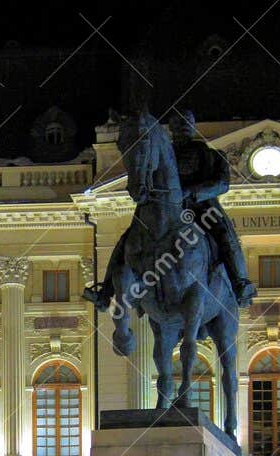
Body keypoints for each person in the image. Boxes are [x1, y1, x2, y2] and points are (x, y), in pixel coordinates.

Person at [85, 109, 257, 310]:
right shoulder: (160, 153)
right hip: (163, 210)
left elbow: (222, 184)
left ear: (192, 127)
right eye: (178, 124)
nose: (182, 127)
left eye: (186, 123)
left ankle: (240, 284)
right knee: (126, 241)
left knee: (225, 236)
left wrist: (191, 193)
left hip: (202, 208)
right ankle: (105, 292)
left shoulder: (211, 155)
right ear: (171, 129)